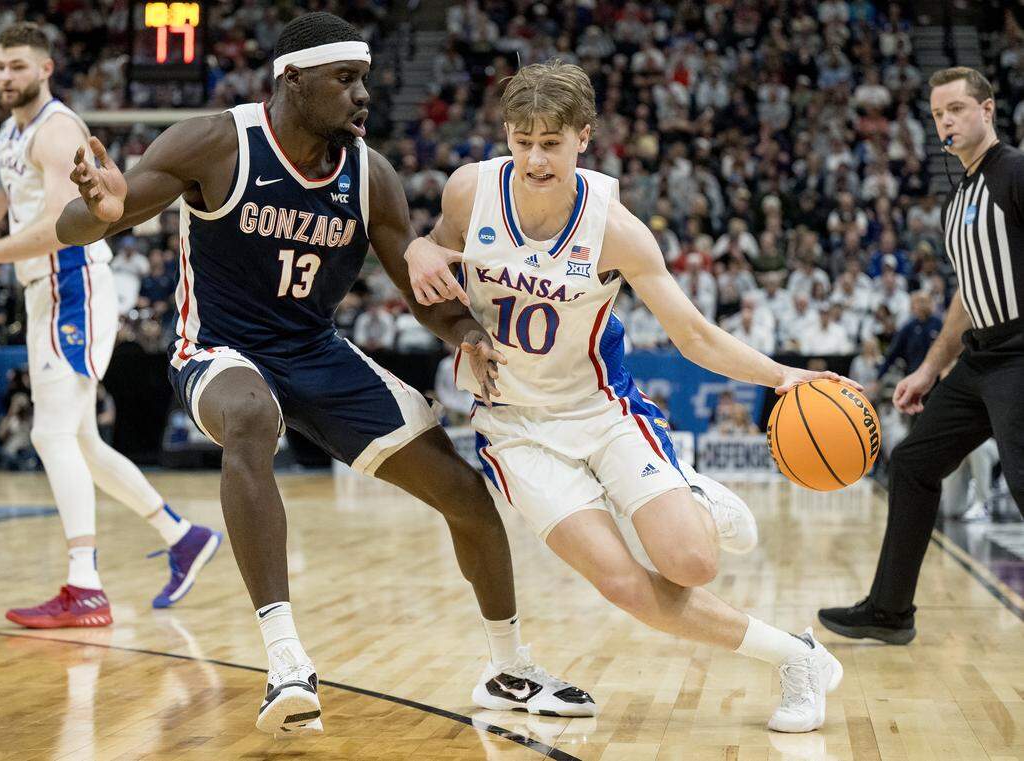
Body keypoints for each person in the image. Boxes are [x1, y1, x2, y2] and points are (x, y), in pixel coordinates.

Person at [56, 12, 590, 735]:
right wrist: (100, 209)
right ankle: (285, 660)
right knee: (250, 418)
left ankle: (508, 663)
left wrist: (466, 330)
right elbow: (91, 218)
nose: (363, 95)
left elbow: (419, 288)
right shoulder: (217, 141)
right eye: (346, 80)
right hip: (218, 347)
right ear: (292, 80)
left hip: (315, 350)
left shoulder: (371, 176)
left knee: (464, 493)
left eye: (365, 80)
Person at [406, 61, 861, 734]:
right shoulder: (469, 192)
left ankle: (696, 495)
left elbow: (693, 334)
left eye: (551, 143)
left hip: (602, 411)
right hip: (515, 427)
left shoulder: (615, 229)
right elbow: (435, 258)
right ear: (506, 133)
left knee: (692, 562)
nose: (535, 157)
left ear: (583, 138)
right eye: (523, 139)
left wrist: (781, 377)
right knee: (622, 583)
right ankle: (796, 657)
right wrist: (421, 250)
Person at [0, 23, 221, 627]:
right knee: (80, 440)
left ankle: (85, 585)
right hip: (47, 292)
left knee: (50, 436)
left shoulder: (56, 131)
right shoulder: (11, 132)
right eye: (0, 67)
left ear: (46, 68)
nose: (6, 77)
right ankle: (181, 537)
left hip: (71, 286)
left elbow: (58, 224)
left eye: (18, 67)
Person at [820, 67, 1024, 644]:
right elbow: (969, 294)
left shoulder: (1014, 172)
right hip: (979, 359)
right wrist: (932, 367)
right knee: (912, 465)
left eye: (957, 108)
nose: (947, 121)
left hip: (1019, 354)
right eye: (938, 114)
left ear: (987, 110)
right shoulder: (958, 199)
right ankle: (889, 611)